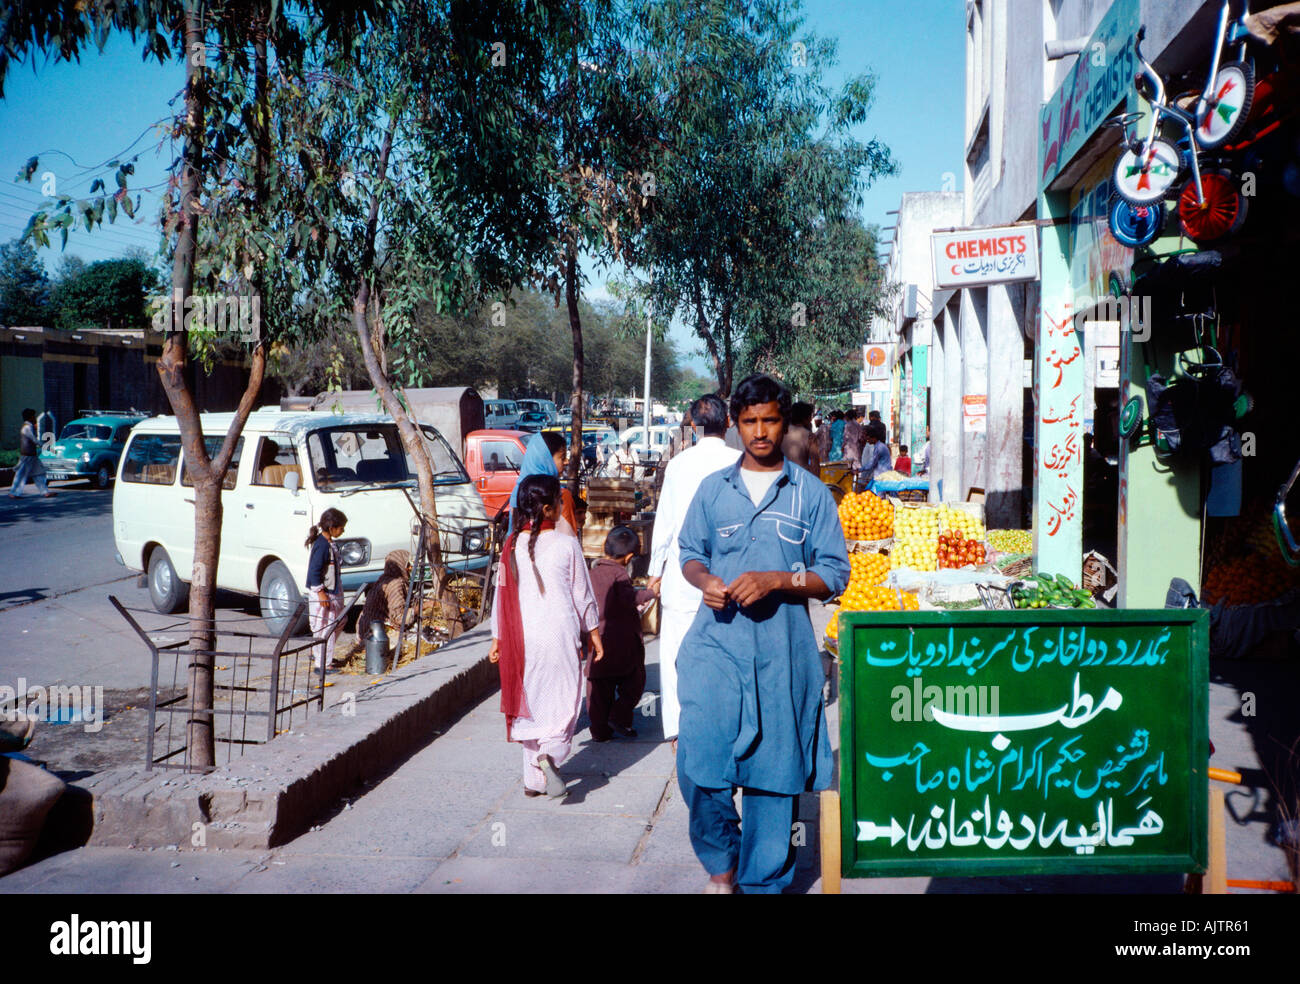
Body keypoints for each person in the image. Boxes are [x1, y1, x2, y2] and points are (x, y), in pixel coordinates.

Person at [675, 373, 850, 893]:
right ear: (734, 425)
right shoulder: (713, 490)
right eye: (748, 421)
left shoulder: (811, 495)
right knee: (701, 769)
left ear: (785, 420)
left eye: (769, 420)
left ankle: (761, 883)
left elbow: (834, 573)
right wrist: (705, 581)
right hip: (715, 651)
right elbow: (689, 554)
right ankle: (721, 864)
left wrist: (779, 579)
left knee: (774, 782)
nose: (759, 431)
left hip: (782, 658)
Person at [489, 474, 604, 798]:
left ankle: (533, 781)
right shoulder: (567, 545)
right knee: (565, 703)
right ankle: (551, 756)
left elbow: (500, 596)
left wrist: (497, 638)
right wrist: (594, 632)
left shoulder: (510, 547)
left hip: (521, 641)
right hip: (560, 636)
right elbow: (582, 595)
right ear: (550, 508)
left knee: (531, 706)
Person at [646, 394, 740, 743]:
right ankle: (724, 724)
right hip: (729, 571)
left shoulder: (679, 465)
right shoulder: (741, 462)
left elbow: (666, 522)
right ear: (728, 422)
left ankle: (678, 729)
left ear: (693, 426)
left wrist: (655, 570)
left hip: (684, 575)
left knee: (676, 652)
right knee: (727, 650)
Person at [586, 526, 656, 742]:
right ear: (629, 557)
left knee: (597, 691)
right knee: (634, 683)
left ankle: (599, 731)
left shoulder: (592, 572)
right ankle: (619, 717)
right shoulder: (619, 574)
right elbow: (630, 598)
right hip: (623, 644)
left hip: (596, 641)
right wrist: (651, 592)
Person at [509, 431, 578, 535]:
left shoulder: (518, 491)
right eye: (562, 457)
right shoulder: (560, 496)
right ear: (546, 460)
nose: (566, 462)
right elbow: (570, 541)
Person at [305, 508, 348, 671]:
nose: (343, 530)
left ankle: (320, 654)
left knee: (340, 621)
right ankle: (323, 664)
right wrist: (321, 593)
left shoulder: (329, 543)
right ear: (332, 528)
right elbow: (314, 571)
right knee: (325, 627)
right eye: (341, 527)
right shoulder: (322, 546)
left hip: (331, 592)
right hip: (323, 594)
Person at [8, 409, 55, 499]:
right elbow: (34, 440)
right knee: (21, 474)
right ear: (30, 417)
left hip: (32, 456)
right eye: (33, 416)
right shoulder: (27, 427)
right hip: (27, 456)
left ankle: (45, 492)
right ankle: (13, 492)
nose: (35, 418)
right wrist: (45, 447)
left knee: (39, 473)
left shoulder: (29, 426)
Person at [782, 401, 820, 476]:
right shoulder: (810, 436)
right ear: (806, 418)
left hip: (782, 477)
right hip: (801, 478)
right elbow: (815, 465)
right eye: (810, 416)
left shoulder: (780, 433)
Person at [854, 421, 892, 493]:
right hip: (880, 475)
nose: (867, 441)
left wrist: (859, 470)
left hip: (882, 476)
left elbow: (872, 464)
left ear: (873, 437)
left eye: (868, 438)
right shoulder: (878, 446)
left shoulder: (879, 447)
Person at [842, 408, 864, 474]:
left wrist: (842, 446)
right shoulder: (858, 425)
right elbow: (861, 437)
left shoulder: (847, 425)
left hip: (849, 448)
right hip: (857, 447)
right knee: (856, 463)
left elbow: (845, 438)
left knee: (848, 465)